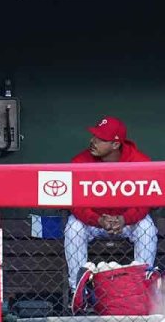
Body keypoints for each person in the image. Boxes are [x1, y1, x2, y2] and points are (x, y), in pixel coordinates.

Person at [64, 116, 157, 292]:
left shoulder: (139, 162)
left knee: (147, 227)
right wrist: (97, 220)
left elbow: (146, 201)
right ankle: (78, 289)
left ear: (115, 144)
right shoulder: (80, 162)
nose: (93, 141)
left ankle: (142, 286)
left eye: (101, 139)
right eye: (94, 136)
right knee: (73, 228)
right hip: (94, 222)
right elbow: (75, 204)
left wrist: (125, 219)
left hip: (127, 222)